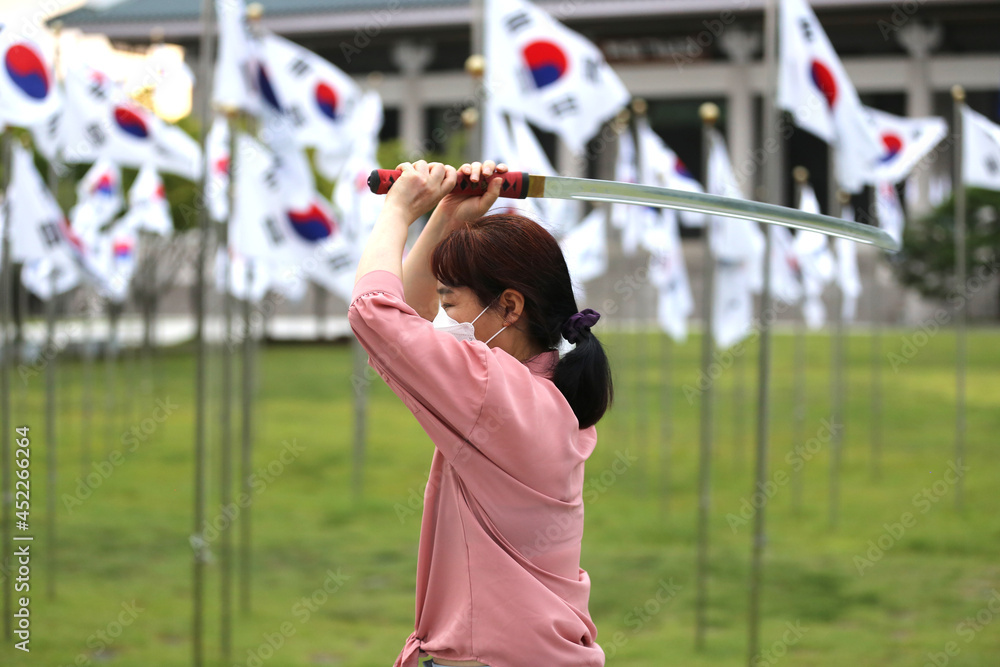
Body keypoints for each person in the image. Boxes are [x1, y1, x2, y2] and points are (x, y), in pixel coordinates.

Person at [349, 159, 613, 667]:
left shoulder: (494, 388)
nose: (444, 320)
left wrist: (399, 210)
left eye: (453, 304)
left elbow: (376, 314)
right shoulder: (542, 392)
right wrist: (446, 218)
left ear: (510, 307)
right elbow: (394, 336)